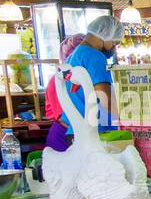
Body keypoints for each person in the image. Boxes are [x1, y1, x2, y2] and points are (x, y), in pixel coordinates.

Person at [45, 15, 124, 152]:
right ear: (106, 34)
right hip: (94, 134)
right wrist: (126, 120)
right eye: (114, 43)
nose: (113, 49)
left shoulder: (73, 56)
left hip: (73, 131)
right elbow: (105, 97)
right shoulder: (95, 56)